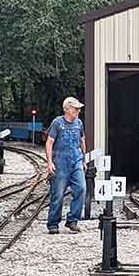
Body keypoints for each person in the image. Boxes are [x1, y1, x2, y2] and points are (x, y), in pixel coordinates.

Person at [45, 97, 87, 234]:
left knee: (81, 188)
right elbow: (49, 142)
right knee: (57, 194)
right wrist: (50, 162)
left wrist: (83, 160)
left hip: (76, 160)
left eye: (79, 108)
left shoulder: (79, 123)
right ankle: (53, 223)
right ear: (67, 109)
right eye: (76, 108)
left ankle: (72, 220)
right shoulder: (57, 123)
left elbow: (82, 140)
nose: (78, 110)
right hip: (60, 162)